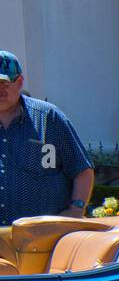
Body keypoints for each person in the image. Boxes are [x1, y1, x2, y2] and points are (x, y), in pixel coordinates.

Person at [0, 50, 95, 226]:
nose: (0, 89)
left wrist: (76, 210)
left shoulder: (48, 118)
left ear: (19, 82)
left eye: (4, 83)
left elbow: (82, 170)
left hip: (45, 234)